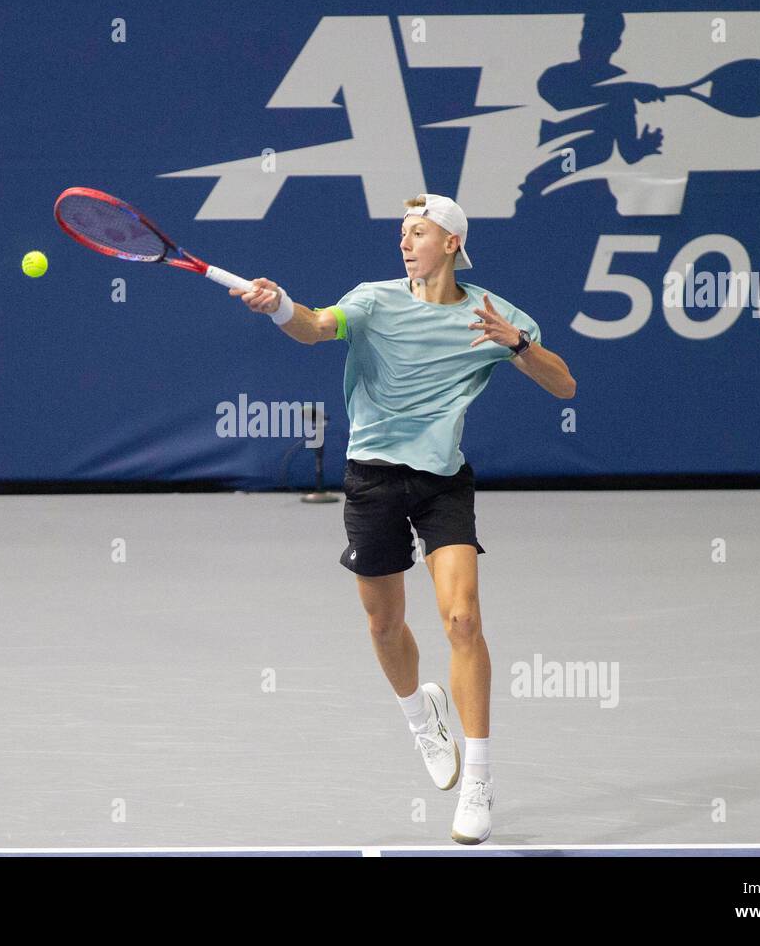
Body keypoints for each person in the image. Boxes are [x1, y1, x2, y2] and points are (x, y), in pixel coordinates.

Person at [229, 193, 576, 844]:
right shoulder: (372, 300)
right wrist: (277, 305)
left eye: (418, 232)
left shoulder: (491, 313)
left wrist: (519, 344)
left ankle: (478, 778)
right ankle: (420, 714)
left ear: (451, 243)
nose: (404, 243)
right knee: (384, 622)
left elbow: (564, 386)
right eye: (401, 234)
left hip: (443, 480)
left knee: (463, 618)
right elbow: (314, 326)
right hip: (372, 480)